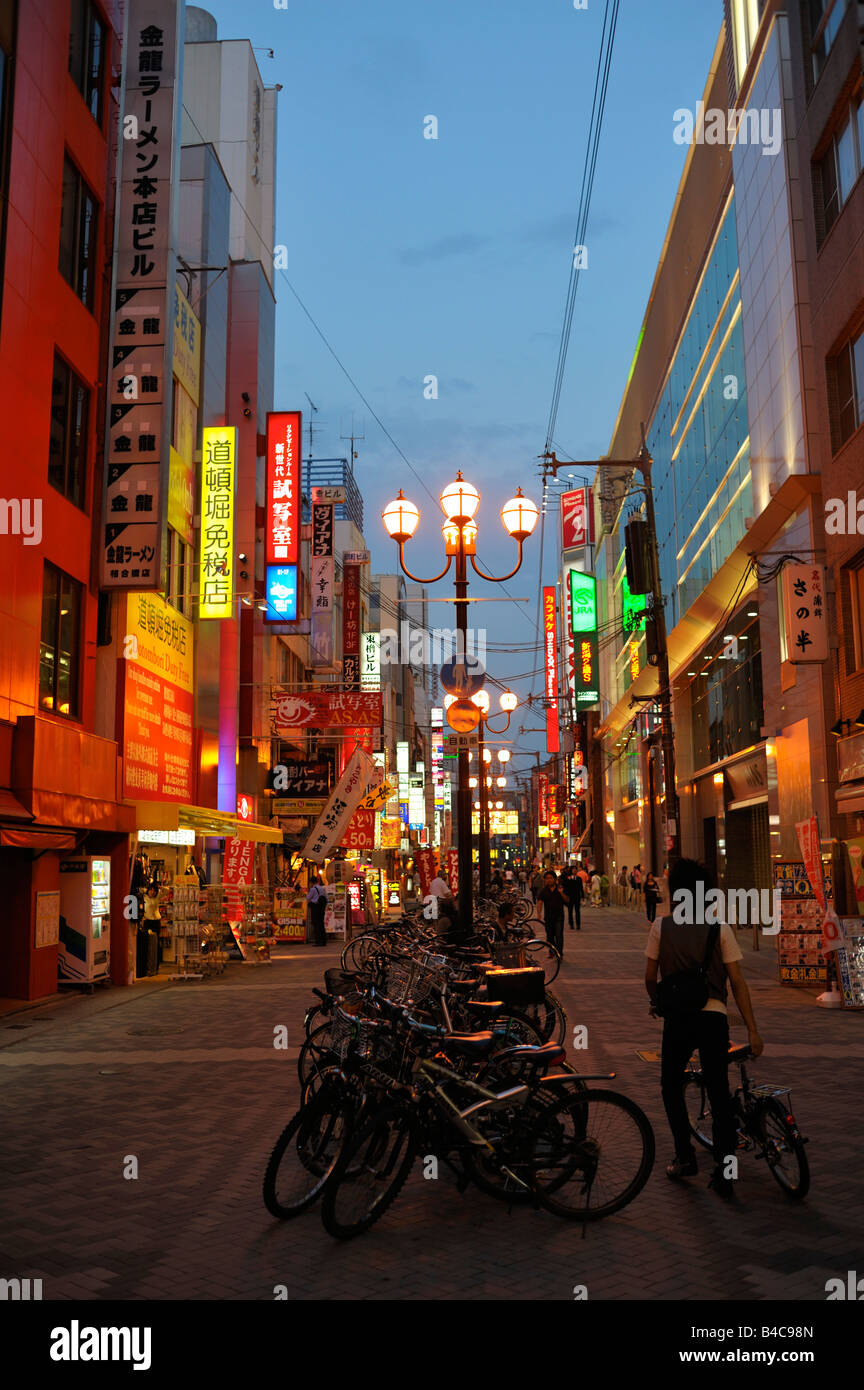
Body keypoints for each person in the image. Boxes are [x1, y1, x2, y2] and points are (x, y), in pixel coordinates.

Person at [644, 858, 764, 1199]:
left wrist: (659, 1003)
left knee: (671, 1085)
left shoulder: (661, 927)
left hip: (678, 1019)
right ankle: (725, 1173)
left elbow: (649, 979)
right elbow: (738, 983)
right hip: (713, 1016)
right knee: (719, 1093)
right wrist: (753, 1030)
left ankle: (685, 1157)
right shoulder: (718, 927)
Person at [537, 870, 568, 957]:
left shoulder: (560, 888)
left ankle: (559, 953)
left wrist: (561, 893)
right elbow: (539, 902)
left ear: (555, 879)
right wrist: (539, 913)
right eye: (547, 878)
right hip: (548, 917)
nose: (549, 880)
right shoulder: (543, 891)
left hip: (559, 916)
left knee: (559, 936)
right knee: (550, 936)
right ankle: (552, 951)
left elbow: (567, 900)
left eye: (550, 878)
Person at [306, 874, 328, 947]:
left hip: (315, 908)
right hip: (321, 908)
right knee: (321, 924)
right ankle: (323, 940)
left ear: (311, 882)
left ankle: (318, 941)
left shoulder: (313, 889)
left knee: (316, 924)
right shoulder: (322, 888)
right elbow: (326, 897)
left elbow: (308, 898)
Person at [560, 863, 582, 931]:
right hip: (570, 897)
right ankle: (571, 924)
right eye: (573, 869)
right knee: (570, 911)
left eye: (576, 869)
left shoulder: (579, 878)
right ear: (571, 871)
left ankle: (578, 924)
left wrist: (583, 896)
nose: (575, 871)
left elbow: (580, 887)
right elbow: (565, 887)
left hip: (577, 896)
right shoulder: (567, 878)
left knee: (577, 911)